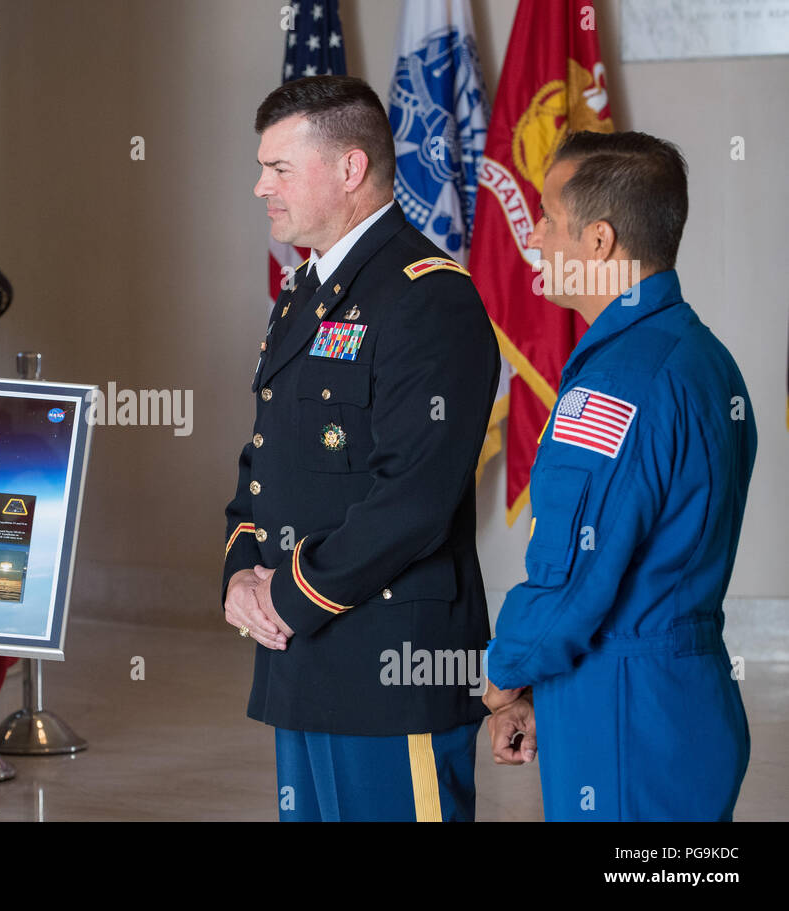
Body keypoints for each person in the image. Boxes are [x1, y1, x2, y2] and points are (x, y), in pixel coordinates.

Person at [222, 76, 500, 821]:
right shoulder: (303, 292)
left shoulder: (427, 296)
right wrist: (241, 574)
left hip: (391, 667)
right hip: (301, 657)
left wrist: (285, 597)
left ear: (350, 168)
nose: (260, 187)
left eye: (279, 168)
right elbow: (264, 459)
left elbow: (413, 498)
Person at [483, 131, 756, 821]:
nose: (534, 238)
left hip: (626, 715)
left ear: (600, 240)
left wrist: (507, 671)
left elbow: (573, 574)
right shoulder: (703, 357)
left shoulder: (615, 383)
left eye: (548, 219)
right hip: (677, 698)